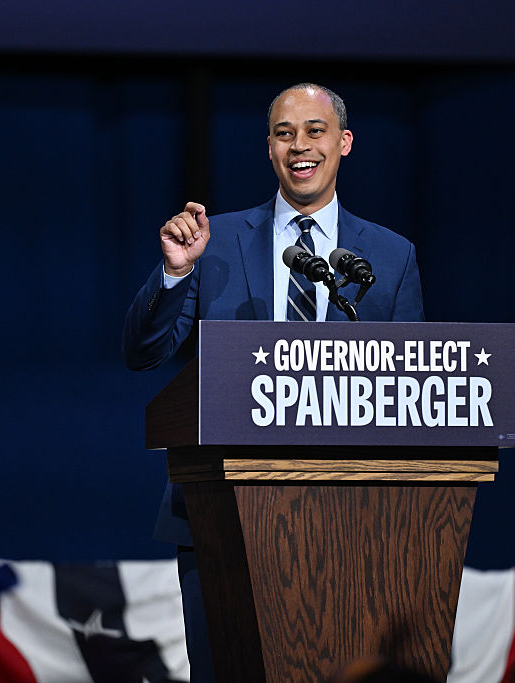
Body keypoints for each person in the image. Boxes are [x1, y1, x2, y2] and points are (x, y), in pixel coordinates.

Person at [122, 83, 425, 682]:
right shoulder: (215, 246)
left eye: (315, 131)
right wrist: (175, 272)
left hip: (350, 526)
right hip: (220, 517)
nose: (300, 146)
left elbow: (410, 401)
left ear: (345, 142)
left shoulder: (391, 258)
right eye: (285, 134)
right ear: (269, 149)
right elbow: (144, 352)